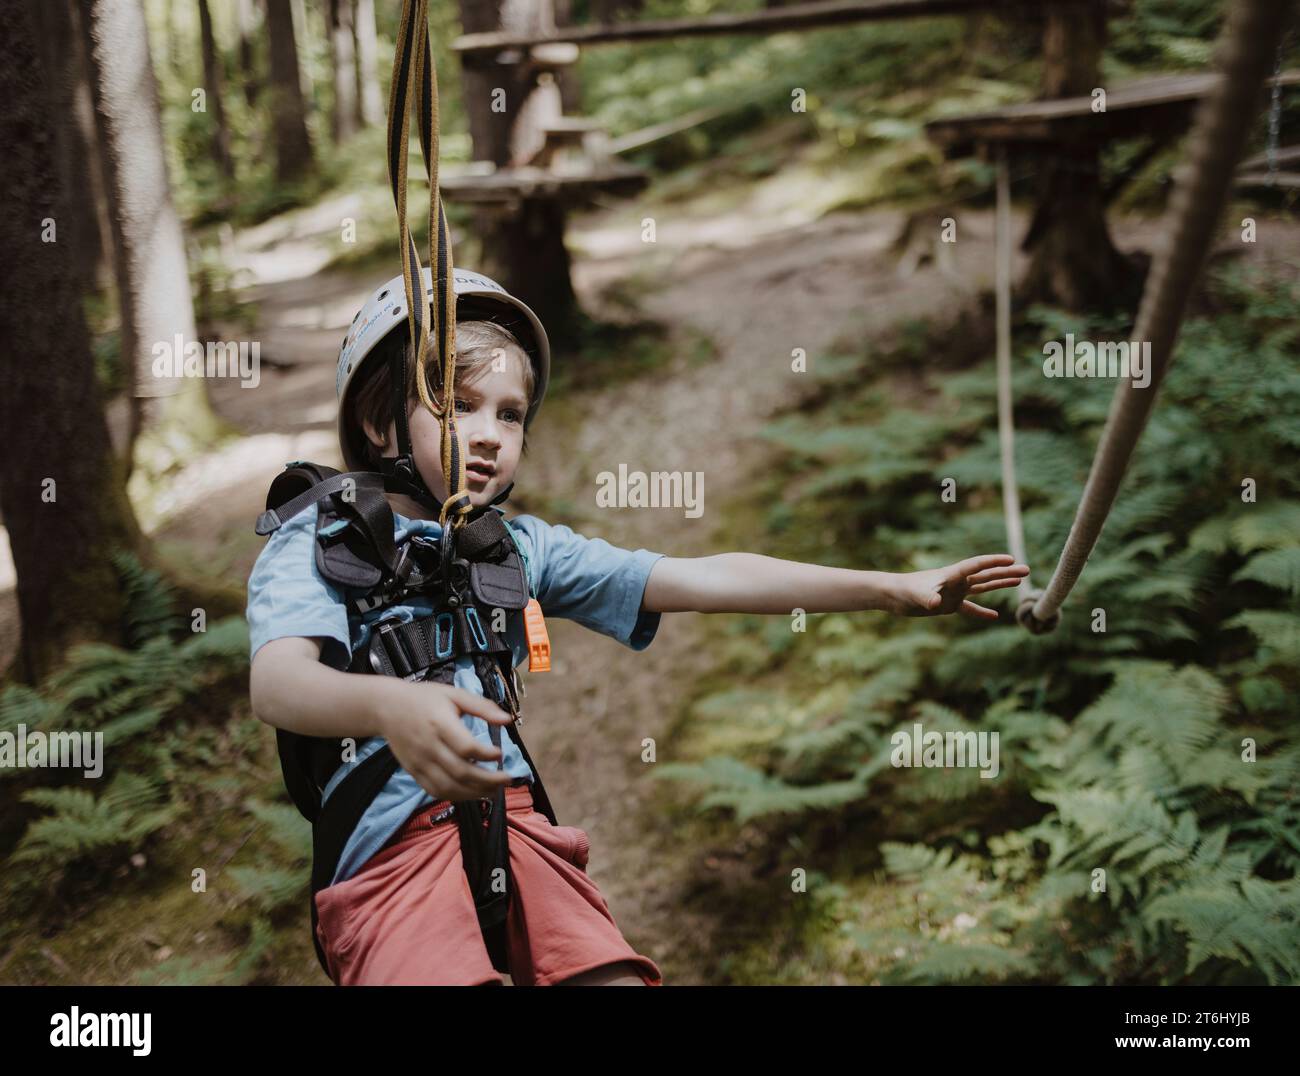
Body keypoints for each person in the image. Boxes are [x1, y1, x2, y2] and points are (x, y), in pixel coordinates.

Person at [246, 267, 1029, 986]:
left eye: (511, 414)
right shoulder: (322, 540)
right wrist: (389, 705)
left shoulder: (514, 549)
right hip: (388, 859)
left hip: (516, 834)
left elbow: (703, 577)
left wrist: (889, 589)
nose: (490, 434)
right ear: (380, 422)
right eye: (460, 405)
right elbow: (278, 683)